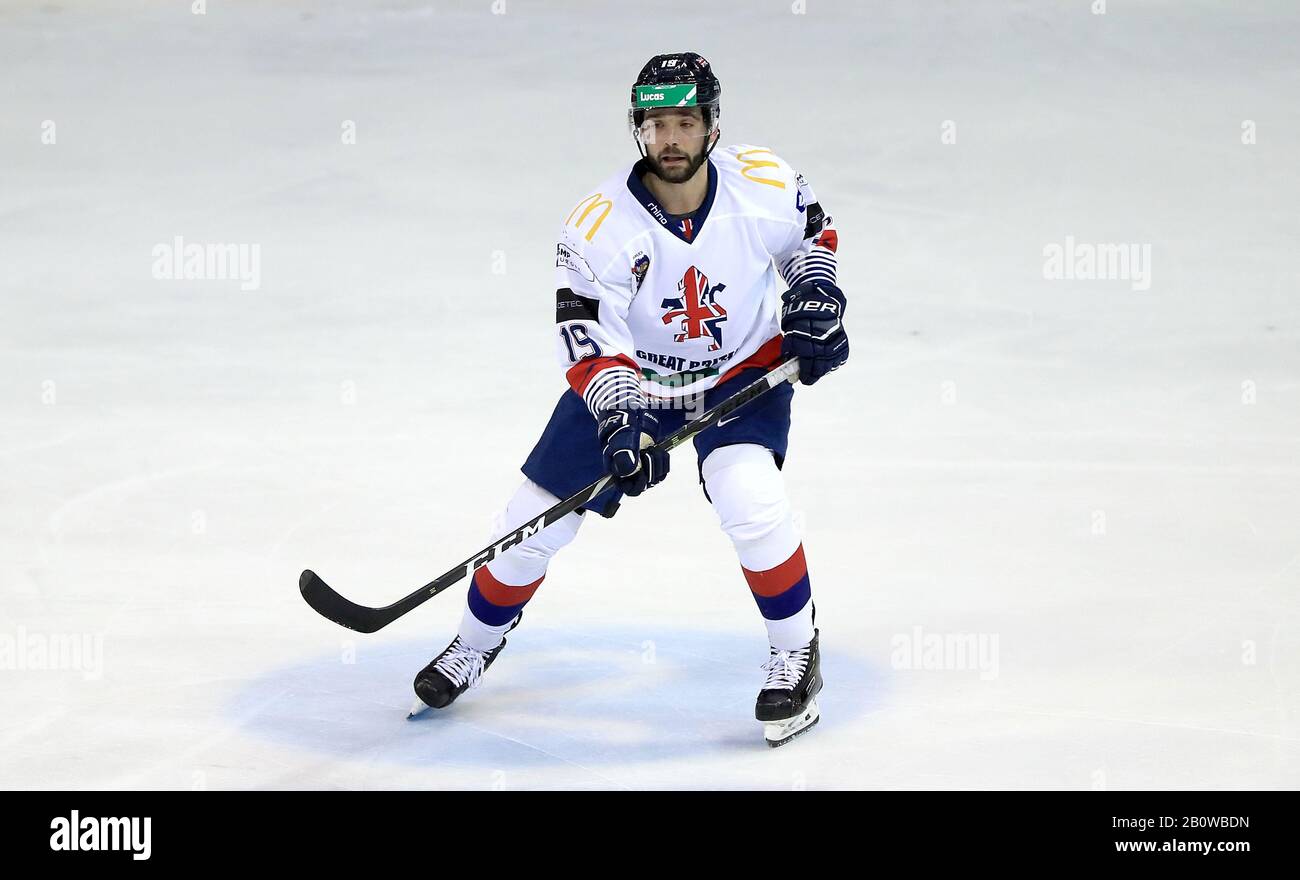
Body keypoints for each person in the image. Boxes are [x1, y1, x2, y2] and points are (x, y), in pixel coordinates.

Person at [411, 52, 848, 747]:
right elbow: (586, 336)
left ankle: (796, 654)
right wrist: (621, 420)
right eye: (656, 126)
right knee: (529, 525)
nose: (670, 139)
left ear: (710, 125)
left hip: (740, 371)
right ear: (637, 131)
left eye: (684, 122)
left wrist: (817, 296)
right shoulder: (598, 225)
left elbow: (809, 237)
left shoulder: (761, 182)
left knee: (749, 496)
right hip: (636, 380)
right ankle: (473, 643)